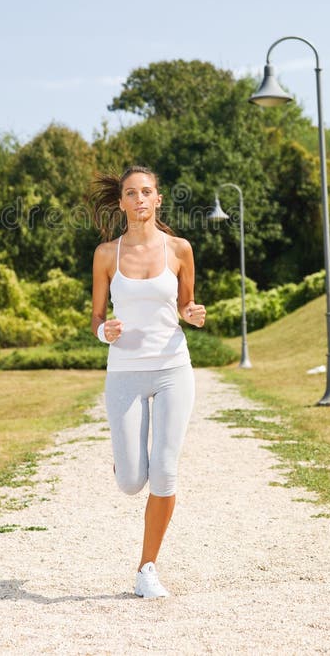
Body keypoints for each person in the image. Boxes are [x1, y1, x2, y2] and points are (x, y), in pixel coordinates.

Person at [90, 165, 206, 599]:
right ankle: (125, 459)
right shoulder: (106, 254)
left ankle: (147, 569)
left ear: (158, 199)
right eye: (131, 193)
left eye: (147, 192)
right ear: (121, 203)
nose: (139, 199)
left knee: (165, 470)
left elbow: (185, 304)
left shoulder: (180, 249)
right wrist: (105, 333)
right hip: (124, 370)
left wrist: (192, 314)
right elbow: (97, 319)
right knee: (130, 482)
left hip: (174, 367)